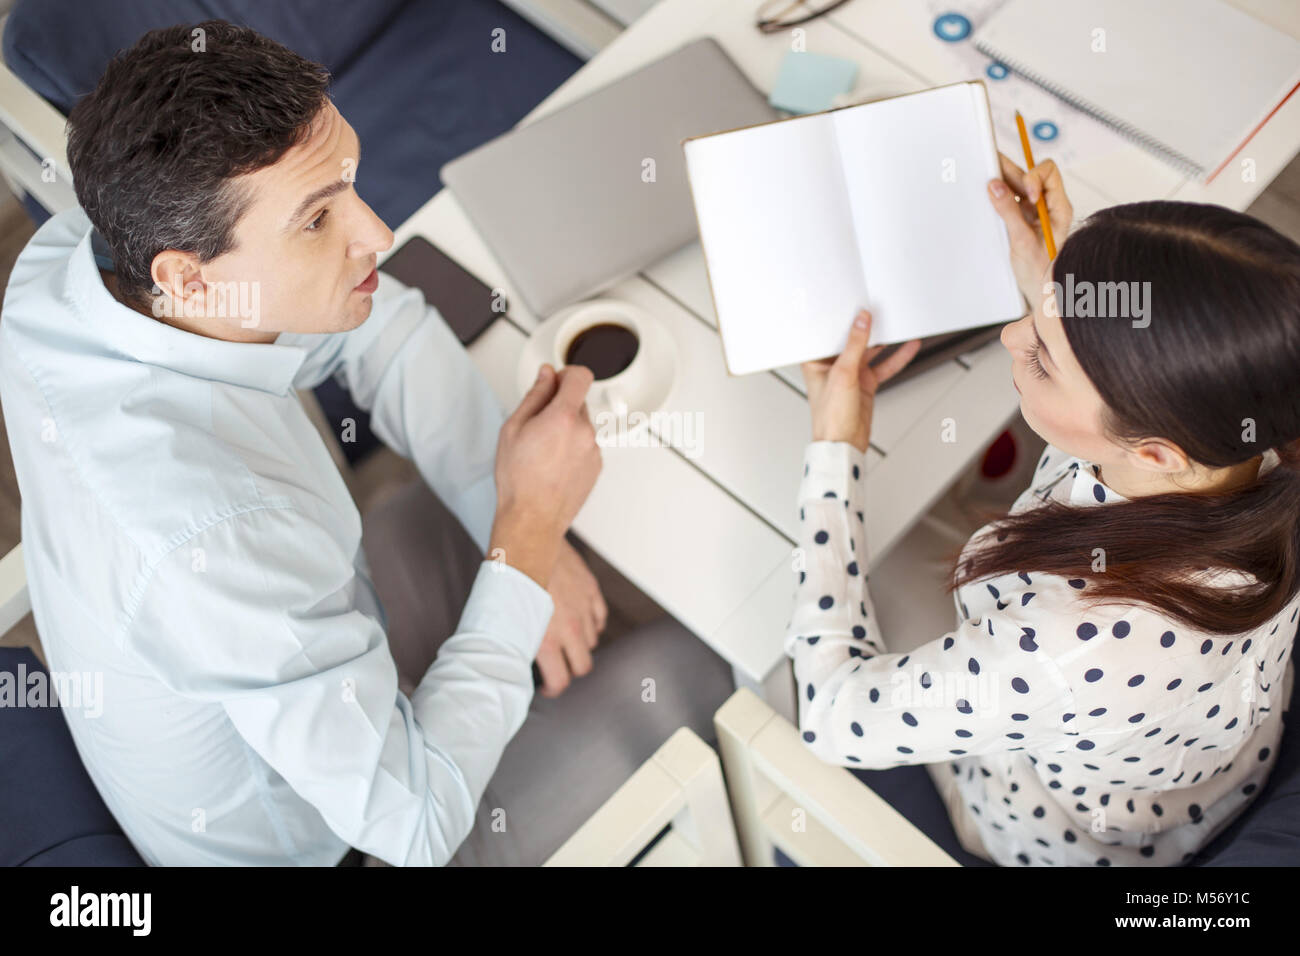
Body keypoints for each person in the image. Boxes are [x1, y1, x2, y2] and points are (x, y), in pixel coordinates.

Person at [0, 20, 733, 867]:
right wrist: (526, 543)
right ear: (188, 276)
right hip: (363, 844)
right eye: (318, 221)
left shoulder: (78, 262)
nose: (378, 232)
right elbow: (415, 824)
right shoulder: (205, 533)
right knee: (688, 667)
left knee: (564, 520)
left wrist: (526, 541)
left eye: (347, 180)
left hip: (318, 640)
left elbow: (378, 321)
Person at [788, 154, 1299, 866]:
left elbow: (833, 716)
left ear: (1153, 453)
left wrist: (834, 450)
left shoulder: (1066, 644)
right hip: (1204, 779)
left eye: (1044, 357)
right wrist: (1056, 276)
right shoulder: (1251, 443)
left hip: (1044, 828)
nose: (1010, 336)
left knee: (786, 634)